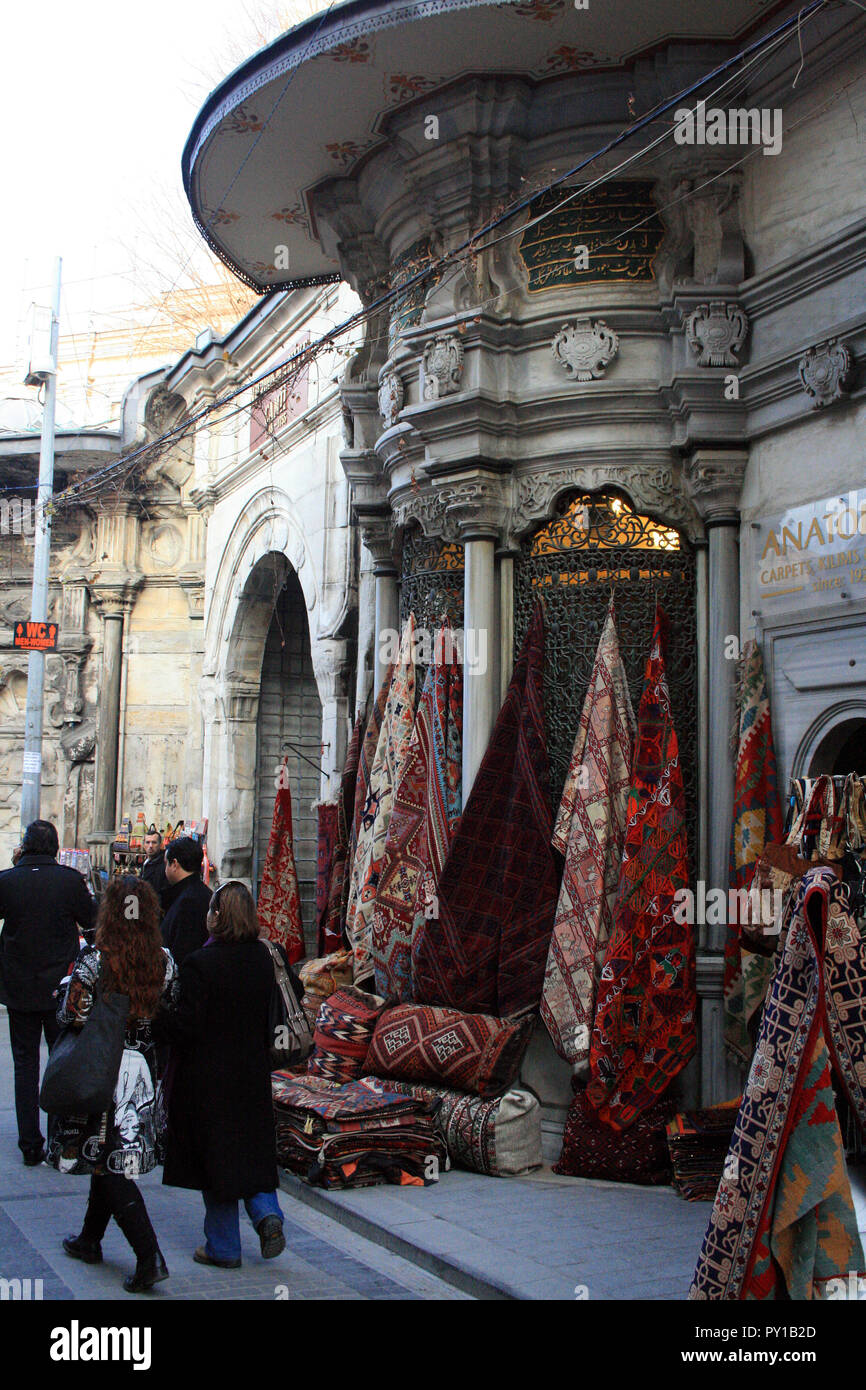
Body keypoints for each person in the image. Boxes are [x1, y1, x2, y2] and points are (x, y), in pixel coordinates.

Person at [155, 881, 301, 1269]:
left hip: (208, 1078)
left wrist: (157, 1018)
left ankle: (223, 1246)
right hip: (252, 1071)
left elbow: (187, 1025)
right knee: (250, 1149)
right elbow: (294, 994)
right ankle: (267, 1214)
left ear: (218, 916)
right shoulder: (265, 957)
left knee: (216, 1159)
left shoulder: (201, 964)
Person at [51, 875, 177, 1294]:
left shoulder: (95, 960)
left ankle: (149, 1256)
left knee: (108, 1161)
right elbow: (171, 1009)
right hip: (143, 1069)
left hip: (101, 1067)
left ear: (109, 912)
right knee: (108, 1154)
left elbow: (69, 1017)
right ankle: (90, 1239)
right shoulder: (164, 959)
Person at [0, 819, 95, 1165]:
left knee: (25, 1065)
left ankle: (29, 1143)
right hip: (61, 989)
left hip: (19, 988)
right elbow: (91, 921)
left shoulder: (8, 880)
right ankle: (59, 1138)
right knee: (61, 1061)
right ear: (55, 847)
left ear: (24, 847)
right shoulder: (70, 881)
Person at [160, 837, 211, 966]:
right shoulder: (204, 894)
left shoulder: (187, 902)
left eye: (166, 863)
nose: (165, 869)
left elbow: (182, 953)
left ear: (175, 864)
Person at [139, 826, 168, 904]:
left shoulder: (164, 865)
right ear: (144, 845)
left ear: (160, 845)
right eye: (148, 842)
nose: (150, 846)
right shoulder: (146, 862)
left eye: (154, 842)